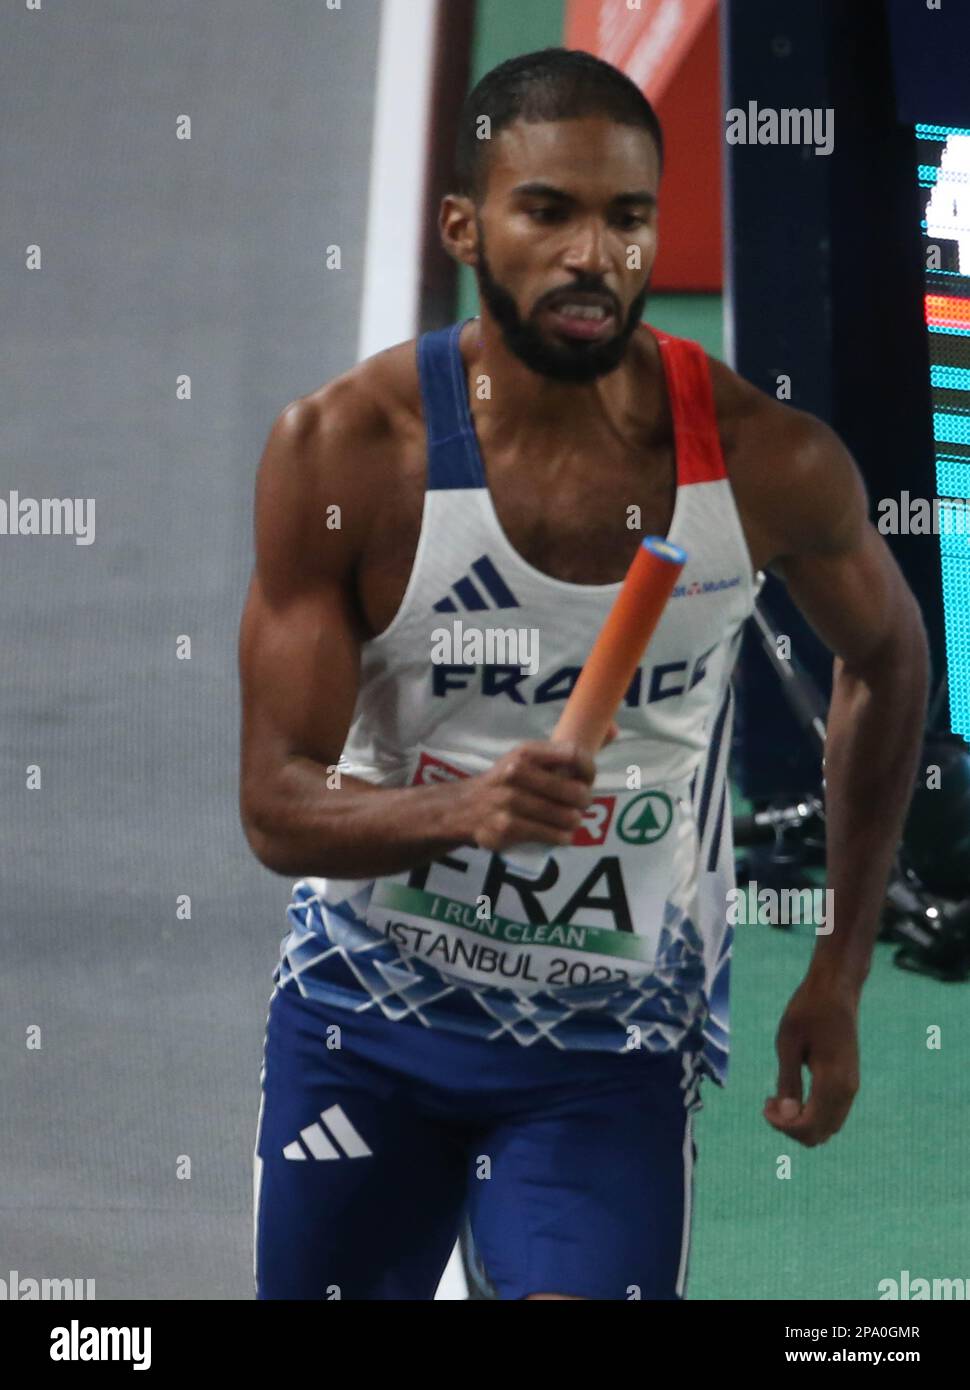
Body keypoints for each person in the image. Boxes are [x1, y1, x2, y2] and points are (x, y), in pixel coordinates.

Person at [239, 48, 928, 1300]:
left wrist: (838, 964)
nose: (591, 255)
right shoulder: (347, 453)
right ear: (464, 227)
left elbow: (887, 658)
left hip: (604, 1054)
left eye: (626, 217)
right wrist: (463, 810)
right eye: (547, 211)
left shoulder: (765, 462)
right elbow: (277, 804)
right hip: (364, 1025)